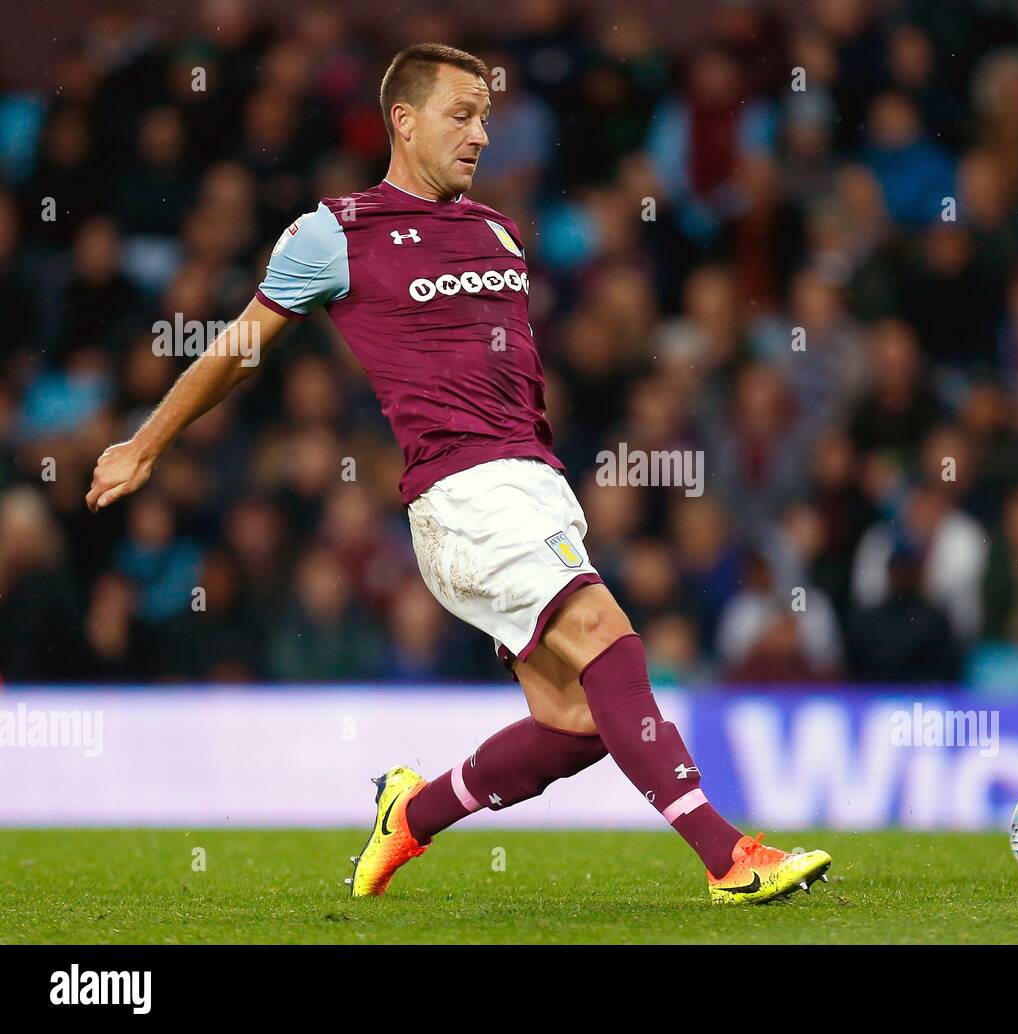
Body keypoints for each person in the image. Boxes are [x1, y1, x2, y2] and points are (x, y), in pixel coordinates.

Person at [85, 43, 830, 905]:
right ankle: (727, 856)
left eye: (486, 116)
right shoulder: (335, 232)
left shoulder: (497, 230)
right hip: (463, 492)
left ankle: (413, 813)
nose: (481, 134)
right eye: (461, 114)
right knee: (609, 639)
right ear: (403, 120)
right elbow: (243, 347)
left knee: (576, 723)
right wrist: (147, 442)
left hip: (533, 484)